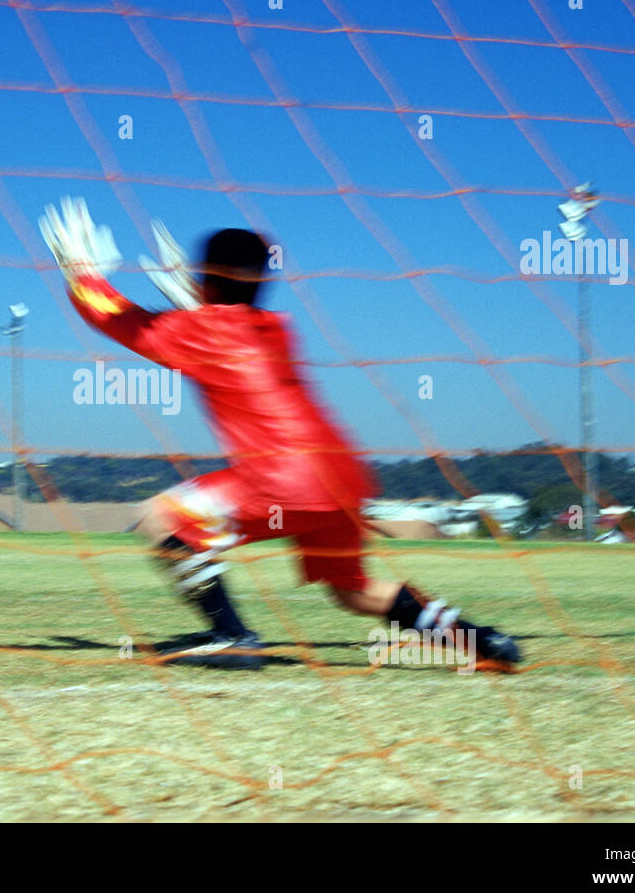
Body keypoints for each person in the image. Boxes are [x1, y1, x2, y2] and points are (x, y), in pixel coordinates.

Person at [39, 198, 521, 670]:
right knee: (355, 593)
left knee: (161, 516)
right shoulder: (274, 328)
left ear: (205, 277)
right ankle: (483, 640)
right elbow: (223, 328)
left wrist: (80, 274)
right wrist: (201, 300)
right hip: (342, 477)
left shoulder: (200, 330)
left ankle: (232, 637)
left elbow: (113, 317)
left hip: (281, 480)